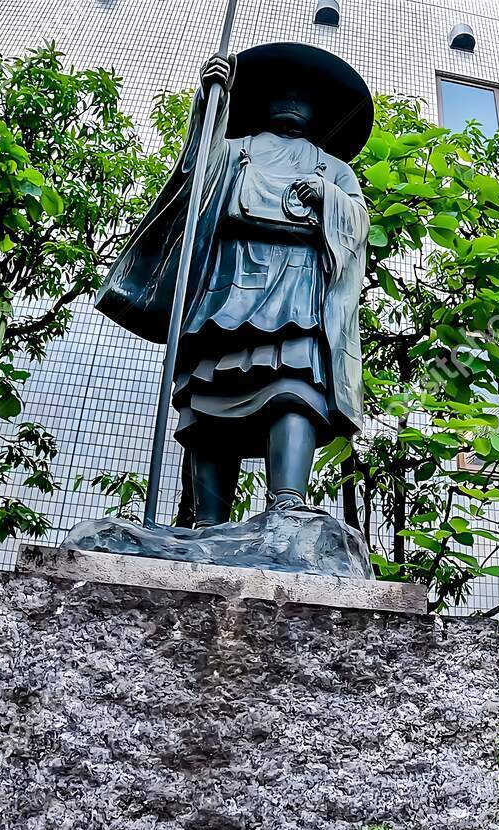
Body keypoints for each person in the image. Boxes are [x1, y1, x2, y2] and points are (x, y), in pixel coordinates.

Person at [99, 43, 374, 526]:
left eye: (303, 97)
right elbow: (195, 172)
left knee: (293, 386)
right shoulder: (233, 150)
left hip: (297, 287)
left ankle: (287, 502)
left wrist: (327, 196)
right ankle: (208, 520)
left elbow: (358, 222)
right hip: (227, 283)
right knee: (209, 396)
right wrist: (211, 104)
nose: (292, 102)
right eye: (282, 94)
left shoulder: (335, 169)